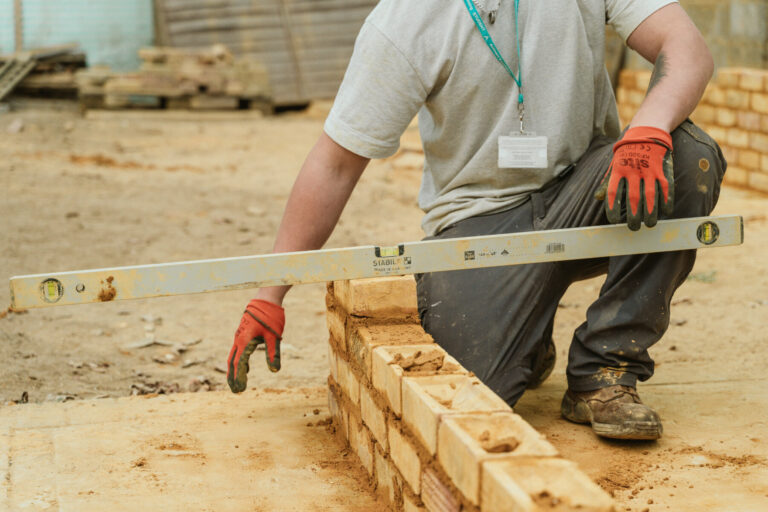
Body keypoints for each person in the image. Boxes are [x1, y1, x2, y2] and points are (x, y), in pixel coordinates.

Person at [226, 0, 725, 441]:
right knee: (467, 401)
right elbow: (335, 164)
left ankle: (607, 368)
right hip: (481, 223)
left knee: (688, 158)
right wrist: (269, 293)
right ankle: (526, 336)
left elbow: (686, 45)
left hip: (587, 197)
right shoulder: (407, 20)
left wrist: (648, 129)